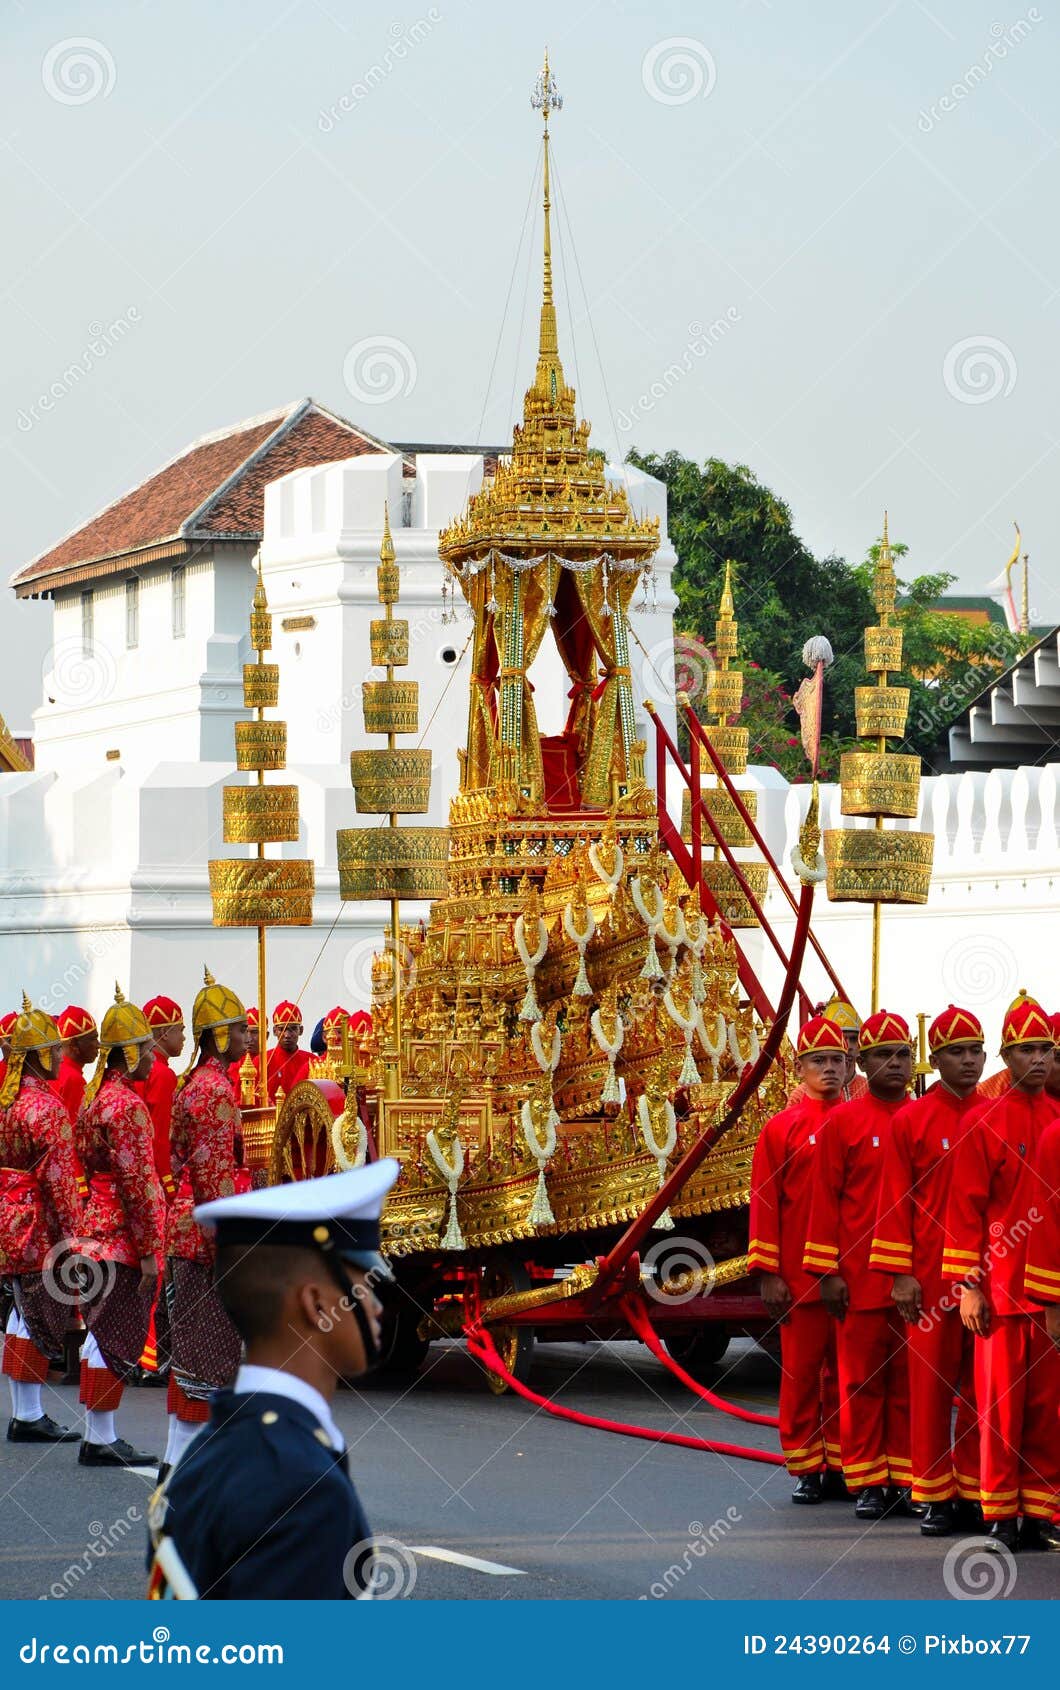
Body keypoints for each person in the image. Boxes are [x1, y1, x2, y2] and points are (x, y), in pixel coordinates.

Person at [147, 1159, 400, 1599]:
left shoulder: (203, 1453)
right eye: (365, 1286)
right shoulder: (303, 1487)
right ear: (317, 1305)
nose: (377, 1306)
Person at [942, 991, 1060, 1553]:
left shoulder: (1056, 1118)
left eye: (1045, 1049)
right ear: (1007, 1057)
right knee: (998, 1408)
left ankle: (1040, 1510)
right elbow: (963, 1209)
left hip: (1051, 1292)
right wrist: (969, 1286)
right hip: (1002, 1286)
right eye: (1026, 1049)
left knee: (1046, 1409)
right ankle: (999, 1511)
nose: (1037, 1059)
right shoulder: (984, 1121)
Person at [869, 1005, 985, 1535]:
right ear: (934, 1060)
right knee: (931, 1386)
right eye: (957, 1052)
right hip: (929, 1274)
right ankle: (935, 1492)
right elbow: (894, 1200)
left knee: (982, 1389)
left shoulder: (995, 1115)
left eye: (976, 1050)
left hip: (986, 1273)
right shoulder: (912, 1121)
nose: (969, 1061)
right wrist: (900, 1274)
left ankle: (979, 1489)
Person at [803, 1009, 913, 1519]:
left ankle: (909, 1479)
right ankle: (867, 1480)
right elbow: (823, 1201)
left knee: (909, 1384)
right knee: (861, 1383)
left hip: (916, 1279)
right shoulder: (843, 1123)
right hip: (857, 1275)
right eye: (883, 1055)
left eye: (904, 1054)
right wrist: (827, 1273)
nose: (896, 1064)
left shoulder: (924, 1118)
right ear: (862, 1063)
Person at [749, 1014, 848, 1503]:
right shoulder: (780, 1129)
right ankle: (807, 1465)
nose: (829, 1069)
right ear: (798, 1068)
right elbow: (765, 1202)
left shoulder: (860, 1122)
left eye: (837, 1060)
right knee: (802, 1374)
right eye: (818, 1060)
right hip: (798, 1275)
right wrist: (768, 1273)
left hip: (854, 1275)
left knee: (849, 1377)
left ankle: (849, 1464)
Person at [163, 969, 249, 1480]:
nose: (246, 1036)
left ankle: (177, 1461)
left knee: (192, 1353)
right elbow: (215, 1180)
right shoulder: (215, 1091)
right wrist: (228, 1249)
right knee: (210, 1353)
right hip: (203, 1237)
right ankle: (192, 1468)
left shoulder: (191, 1084)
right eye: (239, 1029)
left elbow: (179, 1161)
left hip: (182, 1229)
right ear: (218, 1037)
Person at [74, 988, 165, 1467]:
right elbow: (137, 1182)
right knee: (112, 1336)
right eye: (146, 1047)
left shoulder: (95, 1100)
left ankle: (98, 1434)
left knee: (98, 1333)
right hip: (121, 1239)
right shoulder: (127, 1106)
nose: (152, 1055)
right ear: (129, 1053)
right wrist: (149, 1247)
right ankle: (101, 1437)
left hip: (94, 1229)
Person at [0, 995, 83, 1443]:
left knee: (21, 1310)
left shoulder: (8, 1102)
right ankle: (29, 1414)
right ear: (36, 1056)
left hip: (10, 1215)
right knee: (37, 1315)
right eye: (52, 1050)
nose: (58, 1057)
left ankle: (24, 1411)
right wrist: (74, 1235)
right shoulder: (46, 1109)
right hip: (39, 1222)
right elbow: (60, 1179)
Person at [139, 996, 185, 1200]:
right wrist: (168, 1184)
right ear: (164, 1033)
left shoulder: (142, 1069)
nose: (184, 1038)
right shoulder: (162, 1074)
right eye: (180, 1030)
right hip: (155, 1175)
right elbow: (159, 1136)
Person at [786, 998, 867, 1108]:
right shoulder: (800, 1094)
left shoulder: (870, 1089)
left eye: (853, 1039)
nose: (847, 1047)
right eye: (841, 1038)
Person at [53, 1007, 100, 1123]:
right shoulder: (74, 1079)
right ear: (74, 1044)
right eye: (93, 1039)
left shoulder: (52, 1071)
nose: (98, 1045)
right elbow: (72, 1128)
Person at [265, 1001, 311, 1102]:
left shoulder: (312, 1061)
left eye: (293, 1029)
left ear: (301, 1030)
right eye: (282, 1029)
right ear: (274, 1031)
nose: (287, 1035)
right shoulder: (262, 1061)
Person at [227, 1006, 259, 1099]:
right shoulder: (231, 1064)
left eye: (254, 1032)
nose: (249, 1038)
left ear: (266, 1035)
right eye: (244, 1032)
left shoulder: (269, 1060)